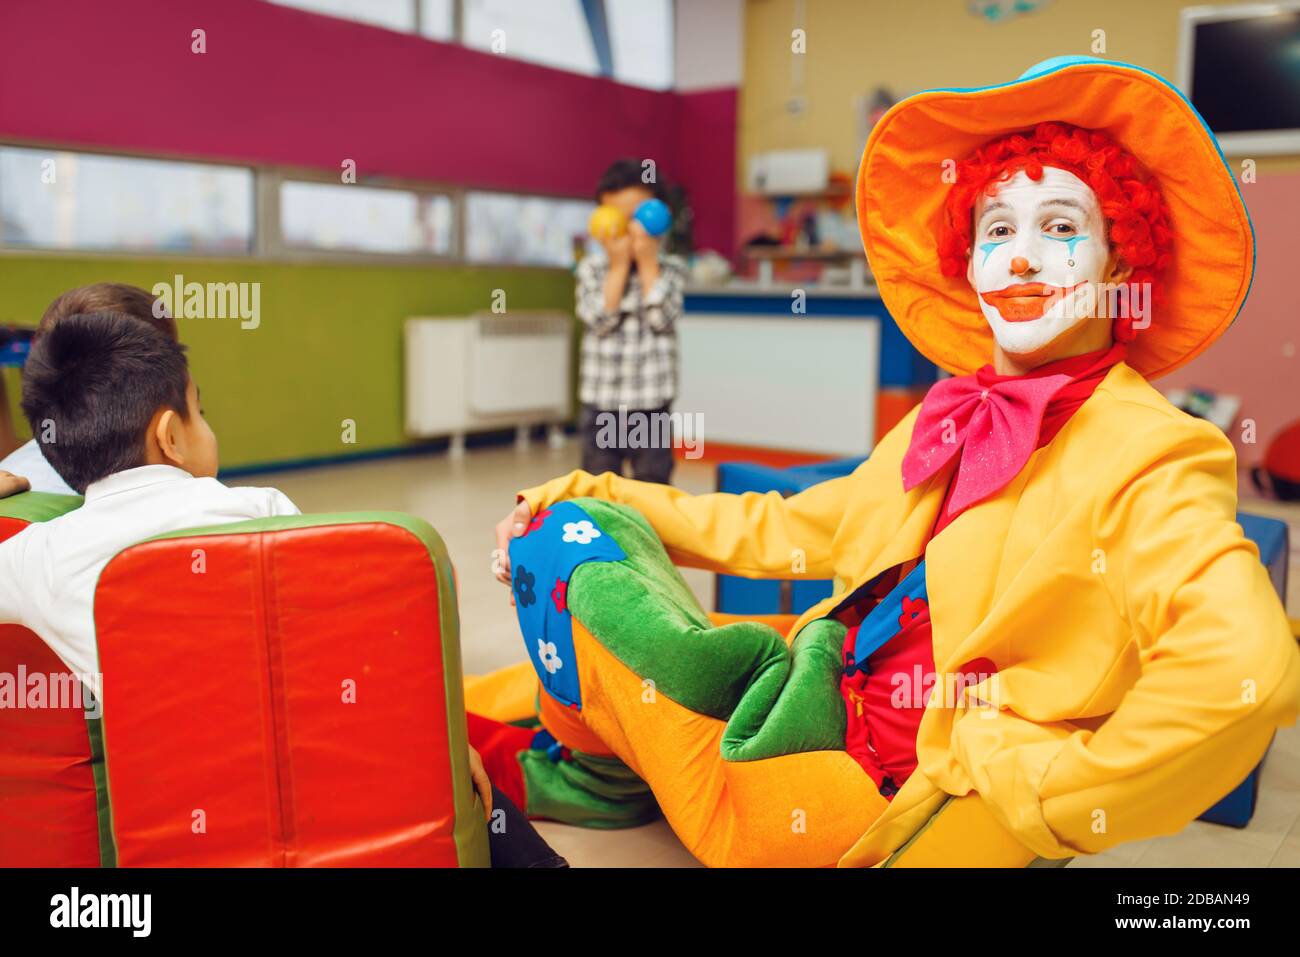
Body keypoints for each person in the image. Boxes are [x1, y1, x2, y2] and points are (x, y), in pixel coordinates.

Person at [489, 58, 1300, 867]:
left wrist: (1043, 791)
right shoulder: (952, 409)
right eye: (996, 230)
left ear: (1122, 262)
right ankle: (612, 764)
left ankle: (602, 777)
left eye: (1059, 228)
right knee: (568, 522)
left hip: (844, 789)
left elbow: (1245, 671)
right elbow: (790, 525)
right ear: (970, 260)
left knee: (561, 562)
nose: (1020, 259)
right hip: (808, 692)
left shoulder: (1150, 445)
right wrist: (583, 489)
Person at [575, 158, 687, 485]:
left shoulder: (670, 268)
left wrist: (648, 261)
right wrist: (619, 267)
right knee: (597, 487)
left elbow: (662, 317)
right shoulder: (592, 270)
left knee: (653, 483)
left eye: (636, 217)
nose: (627, 230)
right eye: (617, 219)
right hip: (601, 401)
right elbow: (599, 320)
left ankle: (649, 536)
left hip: (650, 401)